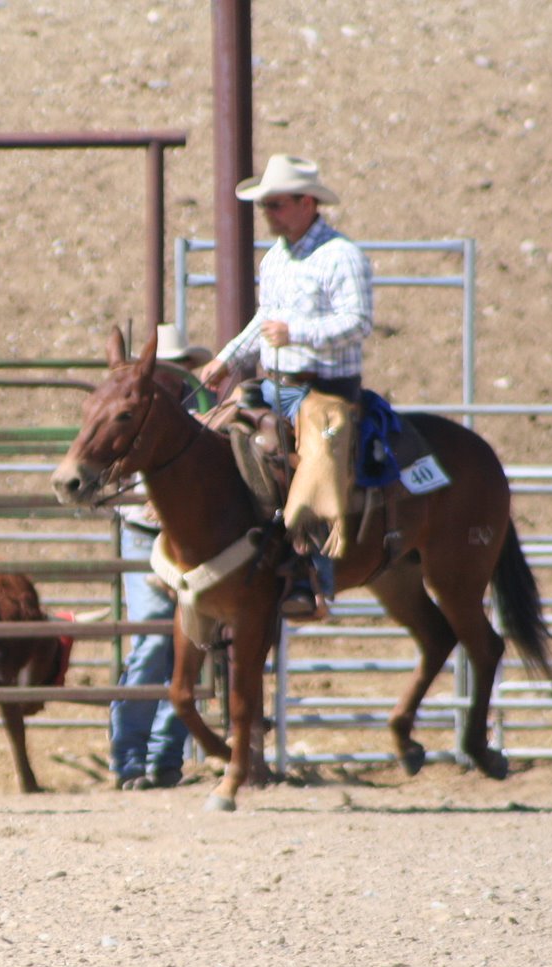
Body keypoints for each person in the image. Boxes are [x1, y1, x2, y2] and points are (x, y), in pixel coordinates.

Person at [197, 154, 375, 618]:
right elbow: (264, 320)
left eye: (275, 204)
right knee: (212, 429)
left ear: (306, 203)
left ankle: (310, 576)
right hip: (276, 384)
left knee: (317, 460)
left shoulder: (341, 256)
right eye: (265, 206)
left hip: (327, 389)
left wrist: (297, 333)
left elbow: (358, 323)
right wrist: (227, 358)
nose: (268, 214)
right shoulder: (276, 256)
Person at [110, 325, 209, 790]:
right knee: (153, 639)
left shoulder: (205, 412)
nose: (167, 378)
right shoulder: (132, 408)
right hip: (146, 530)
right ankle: (132, 758)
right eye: (161, 370)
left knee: (187, 644)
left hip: (193, 537)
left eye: (175, 370)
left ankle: (163, 758)